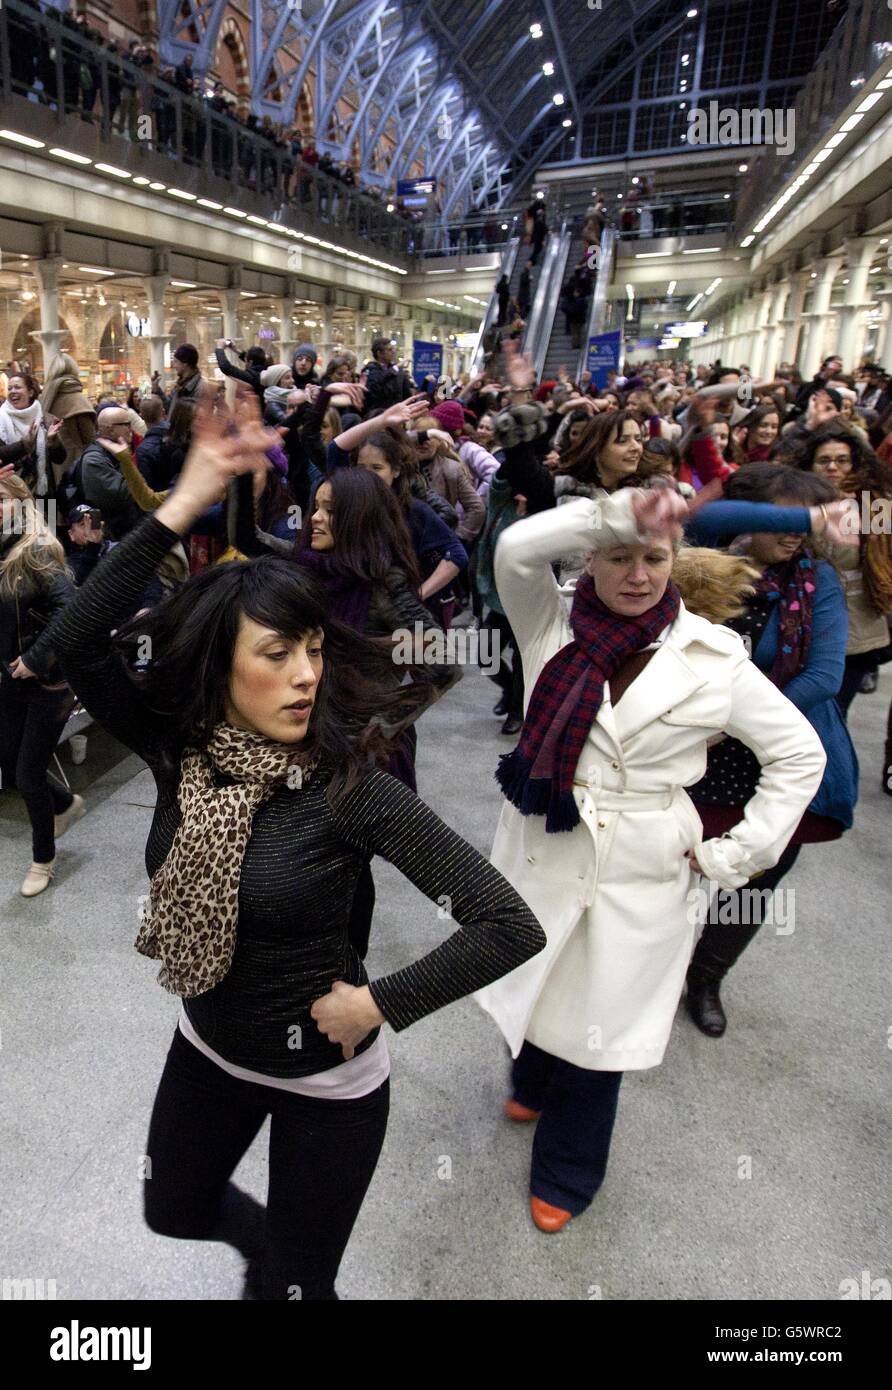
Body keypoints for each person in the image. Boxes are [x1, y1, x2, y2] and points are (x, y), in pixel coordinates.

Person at [44, 397, 545, 1300]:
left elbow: (508, 924)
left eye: (313, 649)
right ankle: (278, 1256)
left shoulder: (353, 788)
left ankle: (294, 1276)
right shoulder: (182, 750)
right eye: (278, 653)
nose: (307, 673)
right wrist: (180, 503)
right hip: (207, 1041)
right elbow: (69, 643)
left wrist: (381, 1003)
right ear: (219, 666)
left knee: (299, 1289)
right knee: (175, 1211)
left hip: (328, 1081)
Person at [473, 459, 825, 1233]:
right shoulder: (549, 621)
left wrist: (737, 856)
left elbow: (800, 755)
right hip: (546, 839)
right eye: (619, 555)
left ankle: (568, 1173)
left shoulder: (712, 656)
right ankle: (530, 1076)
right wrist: (619, 513)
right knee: (537, 975)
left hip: (644, 860)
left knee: (605, 1022)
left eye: (653, 557)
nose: (636, 574)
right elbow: (516, 551)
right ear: (592, 558)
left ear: (677, 563)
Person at [681, 464, 860, 1035]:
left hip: (773, 754)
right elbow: (704, 514)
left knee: (754, 880)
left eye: (803, 524)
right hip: (693, 752)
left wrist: (739, 719)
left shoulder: (819, 581)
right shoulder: (706, 557)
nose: (794, 534)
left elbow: (825, 676)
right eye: (782, 518)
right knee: (670, 867)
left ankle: (706, 977)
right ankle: (652, 967)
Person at [0, 473, 85, 897]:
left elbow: (71, 612)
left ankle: (43, 859)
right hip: (10, 680)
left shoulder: (35, 551)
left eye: (1, 500)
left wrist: (36, 658)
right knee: (11, 766)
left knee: (29, 773)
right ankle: (65, 804)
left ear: (20, 502)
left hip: (47, 681)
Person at [790, 427, 892, 715]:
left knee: (835, 712)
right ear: (810, 465)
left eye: (842, 460)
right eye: (824, 460)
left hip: (857, 628)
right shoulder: (795, 503)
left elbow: (886, 556)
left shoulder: (875, 503)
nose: (833, 467)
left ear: (856, 462)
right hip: (800, 622)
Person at [361, 337, 414, 415]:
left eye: (393, 349)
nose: (393, 352)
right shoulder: (370, 369)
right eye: (389, 350)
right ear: (379, 353)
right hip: (377, 415)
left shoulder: (398, 371)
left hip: (397, 413)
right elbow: (374, 387)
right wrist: (395, 368)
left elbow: (406, 395)